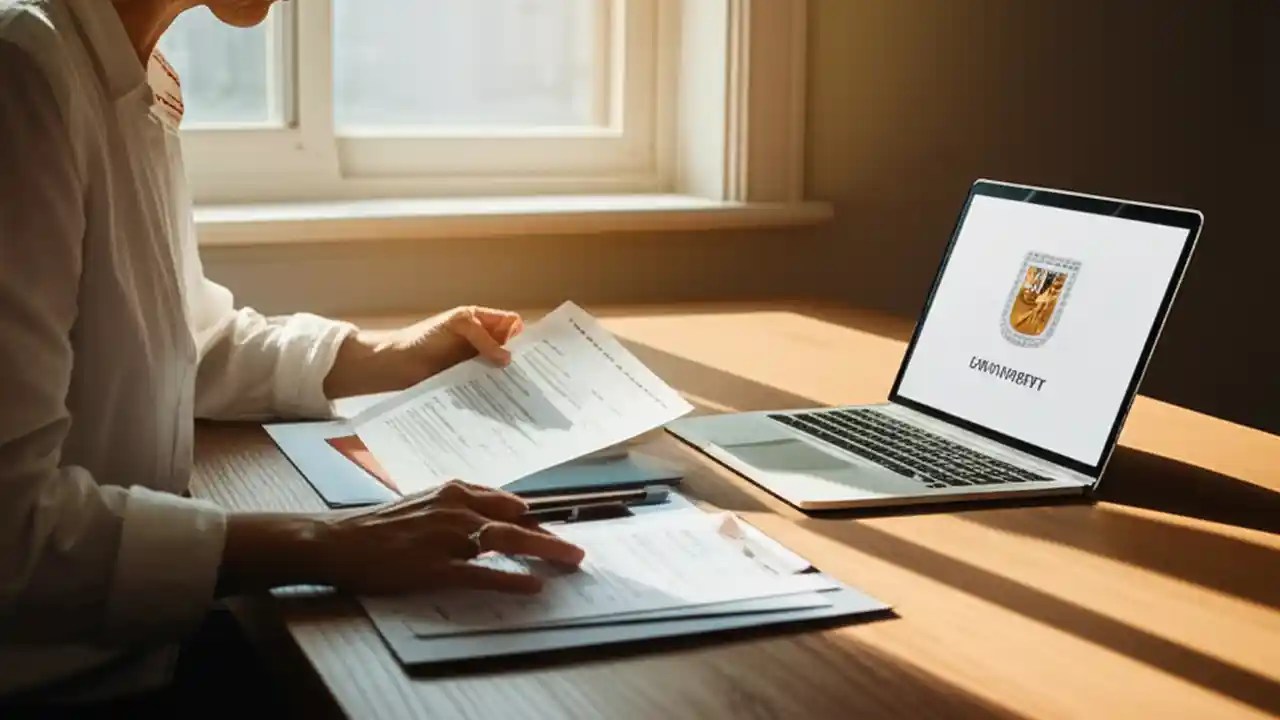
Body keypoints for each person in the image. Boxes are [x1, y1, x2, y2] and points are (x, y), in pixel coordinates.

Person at [0, 0, 586, 711]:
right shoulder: (22, 73)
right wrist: (324, 541)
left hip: (130, 649)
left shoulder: (124, 69)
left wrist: (382, 355)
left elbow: (186, 339)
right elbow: (12, 535)